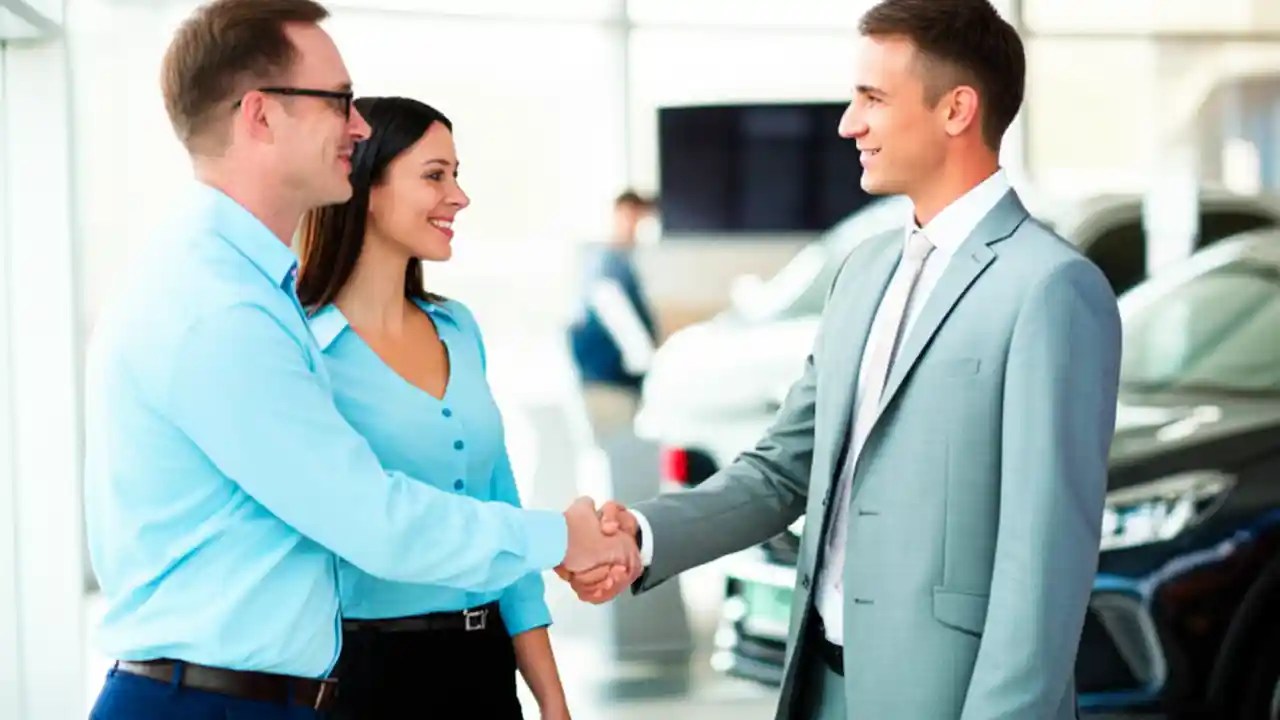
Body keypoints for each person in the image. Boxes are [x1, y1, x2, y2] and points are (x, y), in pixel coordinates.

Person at [567, 1, 1123, 718]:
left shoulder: (1051, 288)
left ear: (957, 109)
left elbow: (1045, 564)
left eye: (872, 98)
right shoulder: (863, 271)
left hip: (946, 697)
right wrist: (642, 537)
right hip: (818, 685)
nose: (848, 123)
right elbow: (780, 469)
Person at [82, 2, 634, 718]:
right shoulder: (221, 309)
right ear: (260, 116)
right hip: (209, 701)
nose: (359, 125)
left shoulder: (246, 290)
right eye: (338, 100)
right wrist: (562, 534)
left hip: (259, 696)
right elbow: (374, 521)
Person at [294, 96, 570, 720]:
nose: (459, 196)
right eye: (434, 175)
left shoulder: (458, 327)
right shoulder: (305, 349)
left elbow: (503, 509)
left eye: (456, 174)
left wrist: (552, 700)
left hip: (483, 665)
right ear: (365, 184)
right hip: (362, 678)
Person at [566, 190, 661, 439]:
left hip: (609, 382)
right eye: (637, 220)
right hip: (609, 384)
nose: (638, 230)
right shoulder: (608, 266)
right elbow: (629, 335)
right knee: (623, 458)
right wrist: (655, 368)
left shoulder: (613, 263)